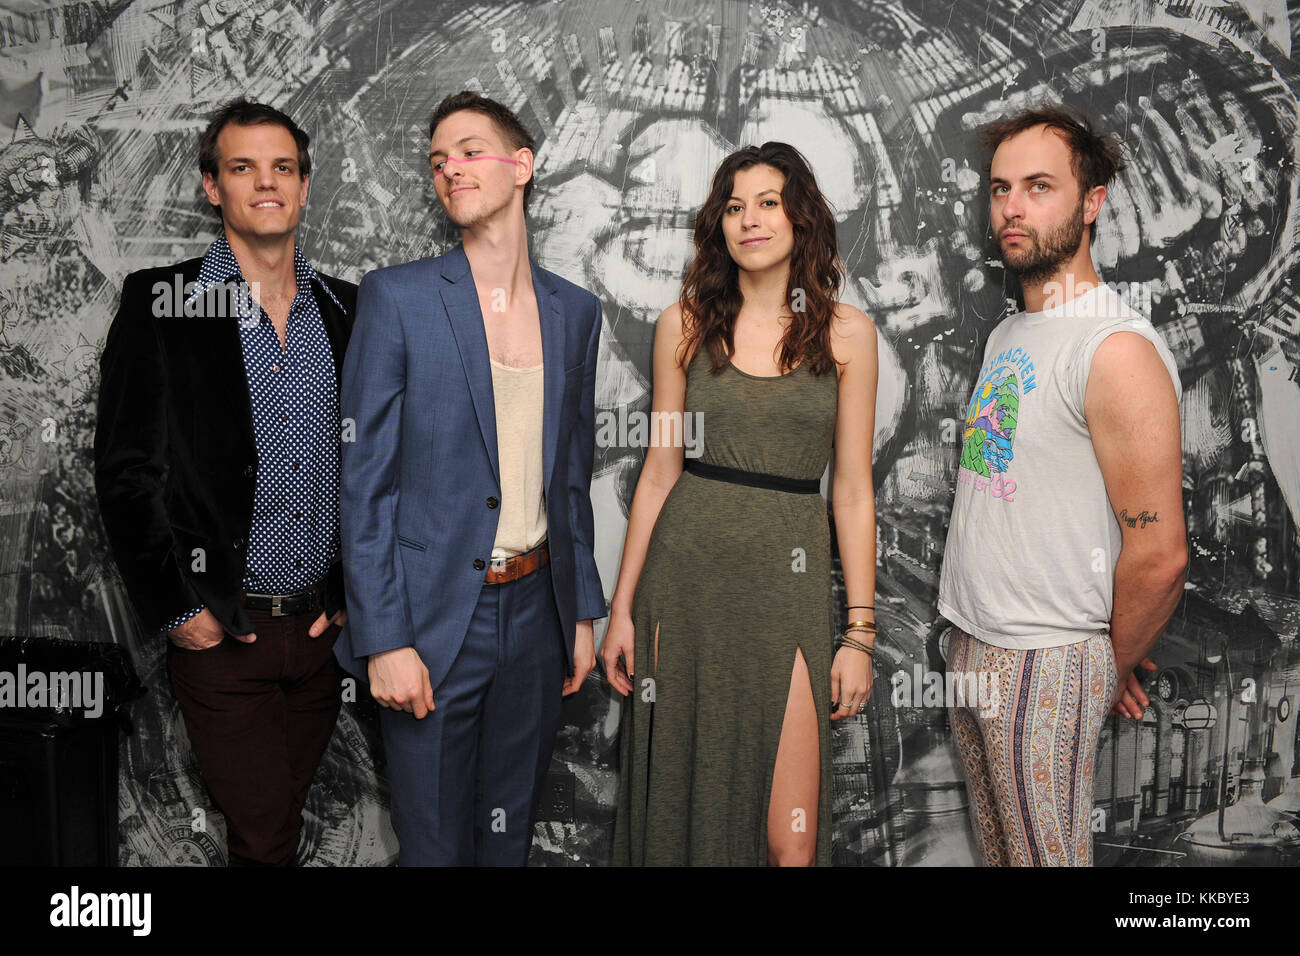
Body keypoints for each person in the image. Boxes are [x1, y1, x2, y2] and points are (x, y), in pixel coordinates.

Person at [335, 91, 605, 866]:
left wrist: (581, 608)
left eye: (469, 150)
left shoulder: (575, 312)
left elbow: (573, 478)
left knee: (507, 840)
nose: (450, 168)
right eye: (438, 160)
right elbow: (365, 484)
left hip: (537, 614)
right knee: (434, 848)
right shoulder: (398, 297)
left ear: (522, 165)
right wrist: (383, 637)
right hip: (429, 620)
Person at [93, 99, 356, 866]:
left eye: (283, 168)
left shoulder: (348, 309)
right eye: (242, 167)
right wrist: (183, 613)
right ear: (213, 186)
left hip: (319, 637)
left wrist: (345, 597)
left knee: (273, 832)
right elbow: (125, 471)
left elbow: (374, 466)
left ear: (306, 187)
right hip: (223, 632)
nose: (265, 183)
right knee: (268, 839)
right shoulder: (161, 303)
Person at [603, 142, 879, 866]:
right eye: (733, 206)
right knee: (675, 811)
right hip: (683, 584)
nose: (748, 220)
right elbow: (660, 472)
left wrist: (860, 634)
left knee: (790, 843)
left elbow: (850, 490)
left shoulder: (849, 334)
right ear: (717, 224)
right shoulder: (683, 326)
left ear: (800, 218)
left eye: (767, 202)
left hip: (786, 591)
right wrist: (622, 611)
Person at [938, 105, 1188, 866]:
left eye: (1039, 186)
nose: (1012, 207)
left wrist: (1093, 672)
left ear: (1092, 202)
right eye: (1000, 188)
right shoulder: (1012, 331)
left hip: (1043, 661)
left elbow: (1162, 557)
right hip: (972, 646)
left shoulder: (1113, 349)